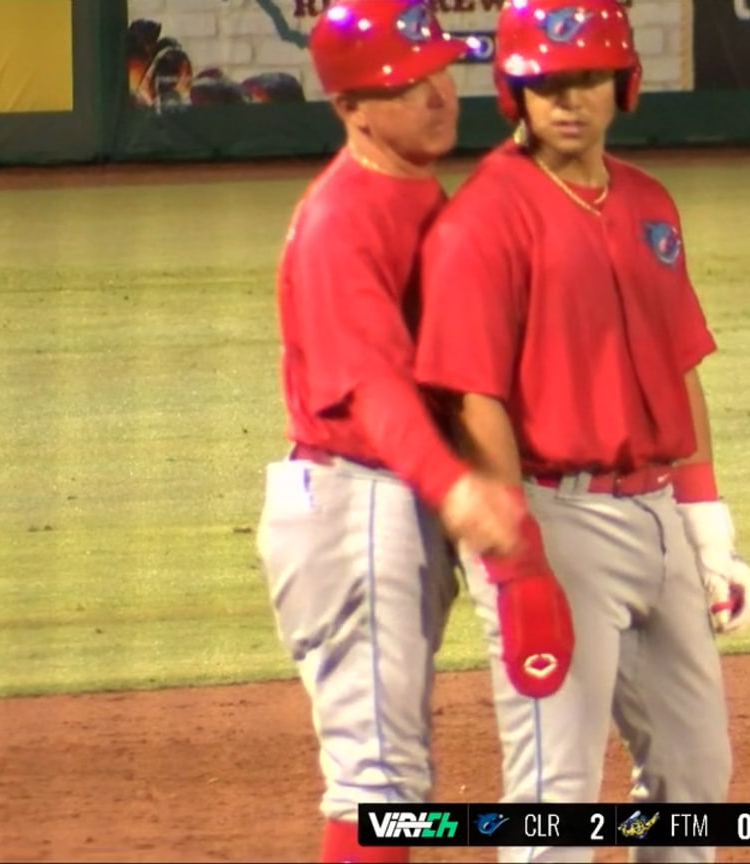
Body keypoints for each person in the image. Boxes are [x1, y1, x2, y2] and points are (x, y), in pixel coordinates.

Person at [412, 1, 750, 861]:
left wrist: (708, 525)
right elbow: (469, 395)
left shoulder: (649, 203)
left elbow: (682, 366)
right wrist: (516, 541)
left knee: (694, 770)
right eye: (548, 83)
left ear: (624, 85)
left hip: (658, 517)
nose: (569, 100)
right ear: (514, 93)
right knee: (554, 792)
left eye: (590, 79)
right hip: (552, 516)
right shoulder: (482, 219)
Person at [253, 3, 528, 861]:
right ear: (352, 108)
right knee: (378, 780)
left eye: (442, 70)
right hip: (352, 500)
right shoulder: (346, 218)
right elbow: (371, 388)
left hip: (389, 499)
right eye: (407, 86)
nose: (440, 94)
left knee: (391, 775)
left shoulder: (413, 190)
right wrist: (455, 488)